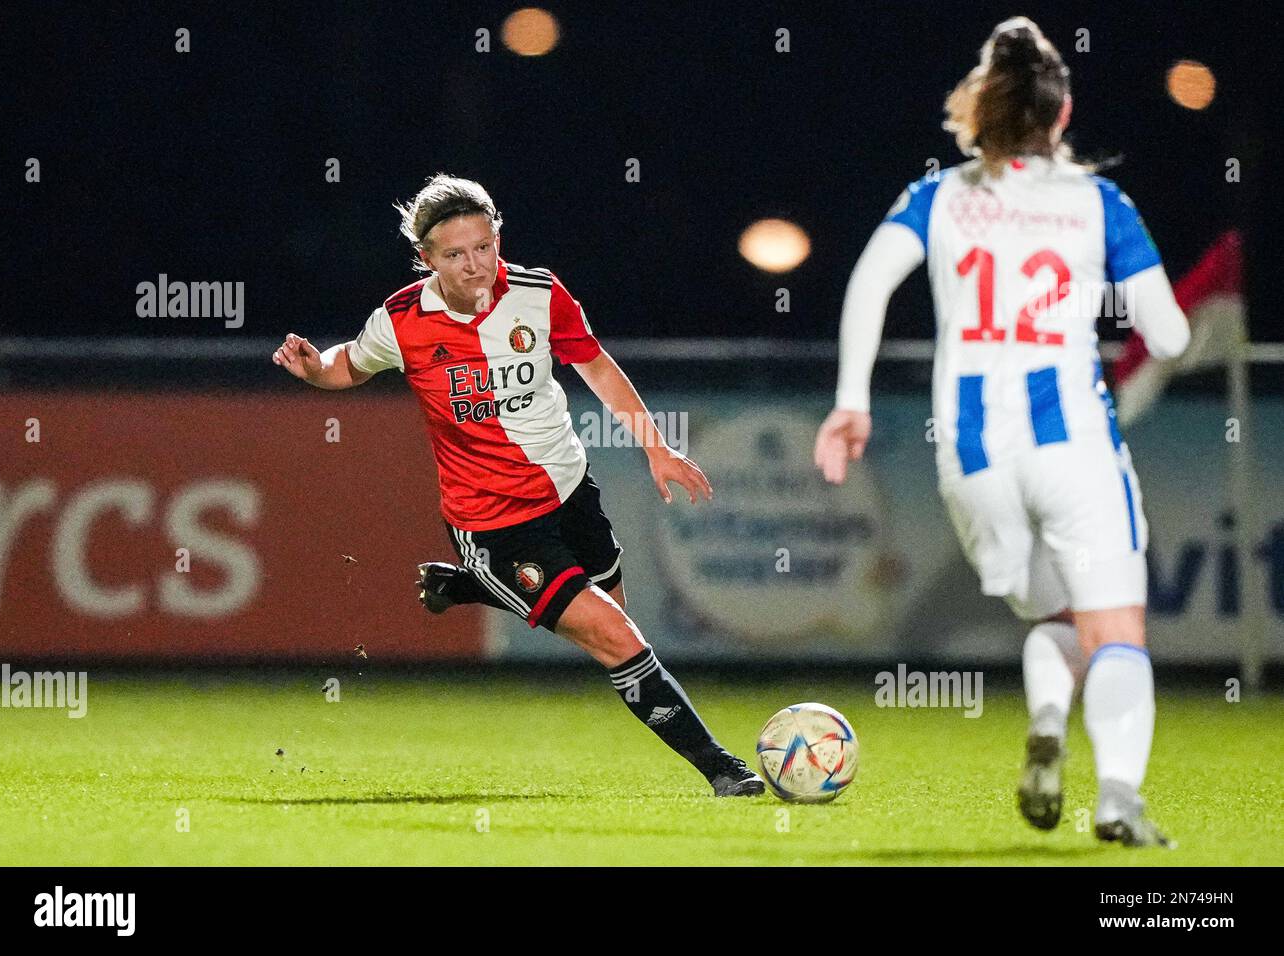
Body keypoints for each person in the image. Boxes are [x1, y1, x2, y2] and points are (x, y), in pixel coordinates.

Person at [814, 18, 1190, 846]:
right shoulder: (1098, 202)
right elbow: (1167, 336)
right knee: (1117, 630)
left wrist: (851, 400)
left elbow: (869, 283)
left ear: (981, 110)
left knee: (1056, 617)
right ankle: (1120, 799)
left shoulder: (939, 196)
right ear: (1062, 114)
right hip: (1074, 444)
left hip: (972, 454)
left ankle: (1049, 722)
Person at [273, 173, 763, 797]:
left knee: (613, 607)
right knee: (614, 636)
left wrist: (654, 445)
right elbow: (350, 364)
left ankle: (472, 587)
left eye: (484, 247)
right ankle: (724, 770)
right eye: (455, 255)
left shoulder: (539, 293)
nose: (475, 265)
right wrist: (315, 369)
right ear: (426, 259)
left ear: (498, 238)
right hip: (494, 523)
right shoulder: (400, 321)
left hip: (570, 488)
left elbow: (595, 365)